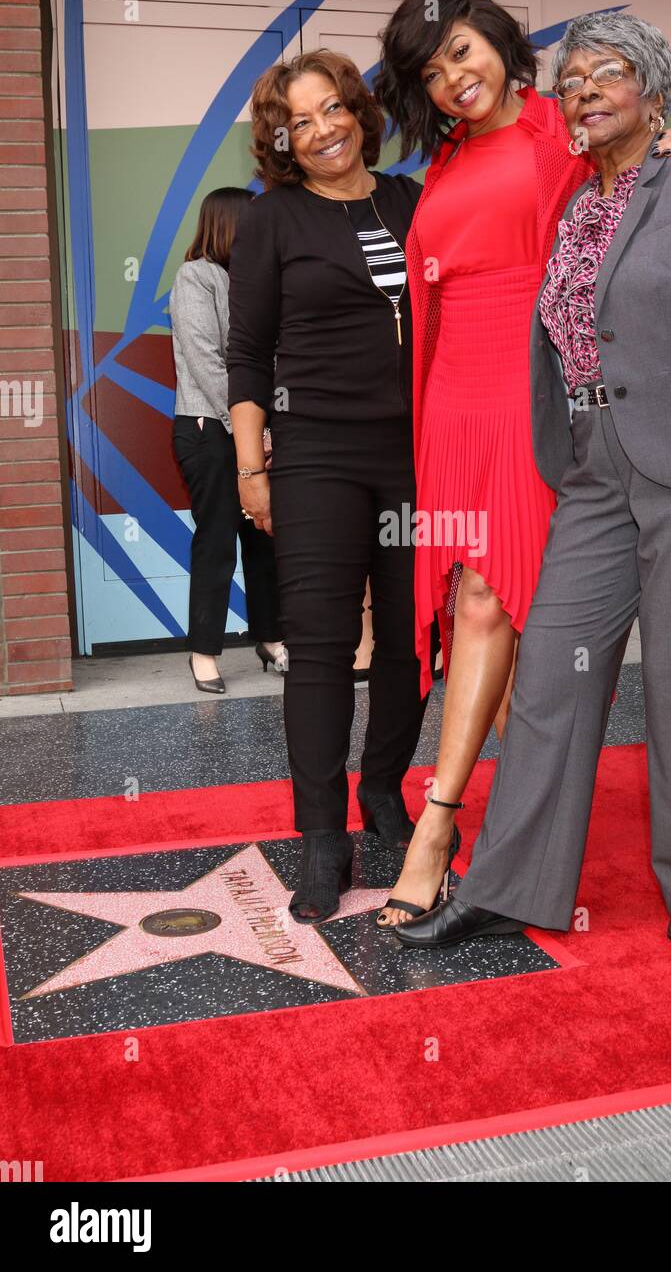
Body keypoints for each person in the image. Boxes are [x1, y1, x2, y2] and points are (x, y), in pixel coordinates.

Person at [394, 11, 671, 951]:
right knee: (547, 674)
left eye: (607, 72)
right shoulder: (578, 201)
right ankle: (509, 886)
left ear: (653, 91)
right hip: (592, 467)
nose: (583, 89)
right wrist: (563, 451)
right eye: (572, 78)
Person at [372, 0, 671, 927]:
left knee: (494, 600)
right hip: (449, 403)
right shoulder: (439, 166)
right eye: (432, 74)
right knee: (488, 619)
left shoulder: (560, 134)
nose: (452, 80)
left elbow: (632, 182)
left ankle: (441, 823)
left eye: (463, 54)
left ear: (500, 42)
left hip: (533, 395)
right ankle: (517, 843)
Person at [226, 50, 430, 923]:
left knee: (410, 642)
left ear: (358, 109)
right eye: (296, 123)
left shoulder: (410, 201)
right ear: (281, 143)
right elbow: (246, 352)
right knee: (318, 648)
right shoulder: (273, 219)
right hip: (313, 456)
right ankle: (321, 838)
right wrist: (251, 468)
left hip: (420, 454)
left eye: (330, 109)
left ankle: (383, 788)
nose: (320, 131)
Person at [170, 188, 285, 694]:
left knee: (263, 535)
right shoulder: (195, 277)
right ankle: (204, 653)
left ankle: (270, 638)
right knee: (217, 540)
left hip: (255, 428)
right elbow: (206, 361)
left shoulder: (257, 282)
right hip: (209, 426)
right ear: (229, 225)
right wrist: (252, 429)